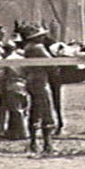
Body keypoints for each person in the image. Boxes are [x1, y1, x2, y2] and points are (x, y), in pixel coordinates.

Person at [20, 25, 57, 153]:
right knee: (46, 110)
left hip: (30, 80)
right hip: (40, 81)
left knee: (35, 110)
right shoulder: (38, 47)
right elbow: (51, 63)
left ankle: (34, 142)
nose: (43, 38)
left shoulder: (28, 47)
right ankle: (48, 144)